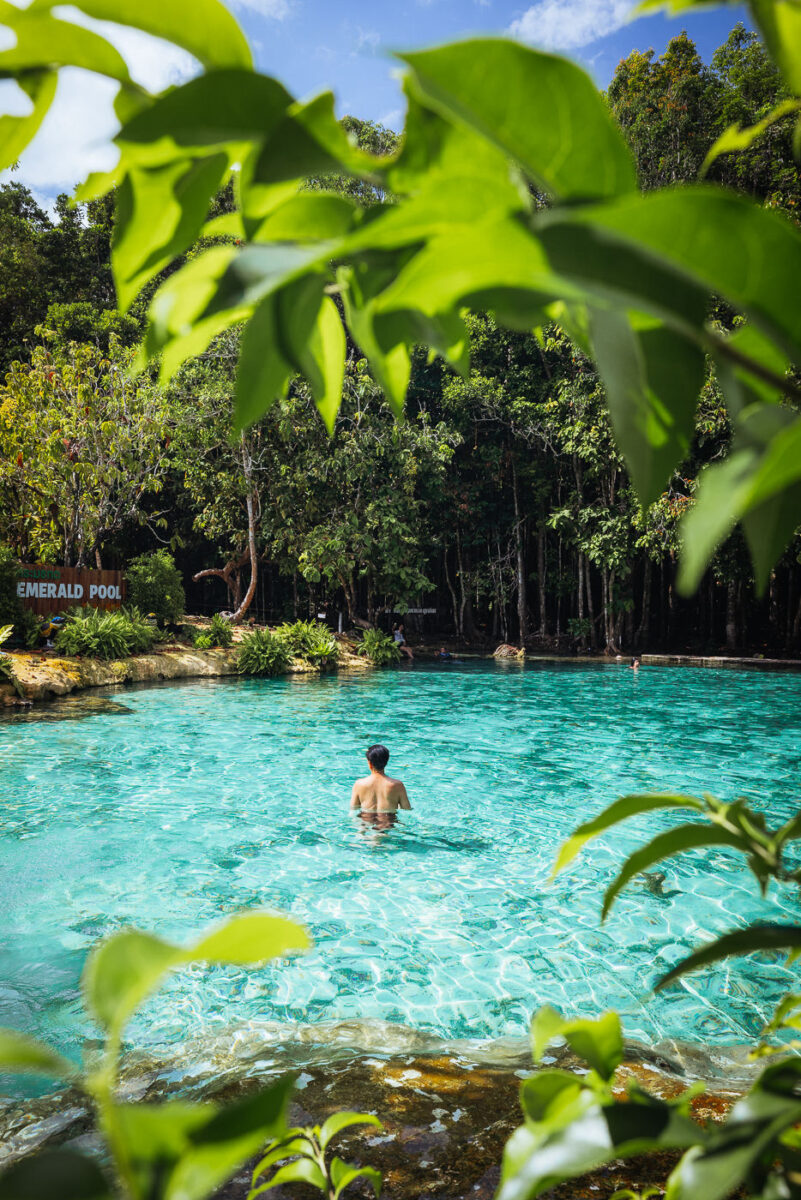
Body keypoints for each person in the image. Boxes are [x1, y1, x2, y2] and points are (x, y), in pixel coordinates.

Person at [350, 744, 411, 820]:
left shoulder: (359, 784)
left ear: (369, 763)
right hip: (388, 821)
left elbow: (353, 809)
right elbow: (407, 809)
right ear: (386, 762)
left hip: (365, 820)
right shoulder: (397, 785)